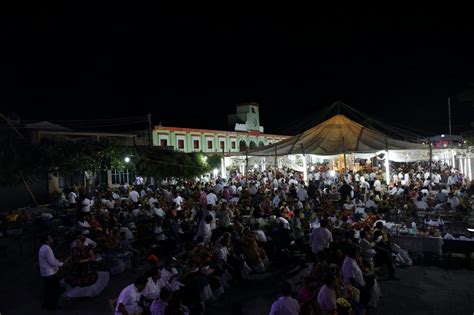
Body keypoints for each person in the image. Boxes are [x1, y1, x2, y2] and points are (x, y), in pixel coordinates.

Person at [39, 234, 66, 310]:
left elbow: (51, 260)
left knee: (47, 289)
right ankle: (53, 306)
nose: (51, 239)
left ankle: (46, 304)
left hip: (45, 273)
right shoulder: (47, 249)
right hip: (50, 273)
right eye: (50, 238)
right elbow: (52, 262)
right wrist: (61, 264)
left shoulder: (42, 248)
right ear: (47, 240)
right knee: (53, 290)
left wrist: (57, 261)